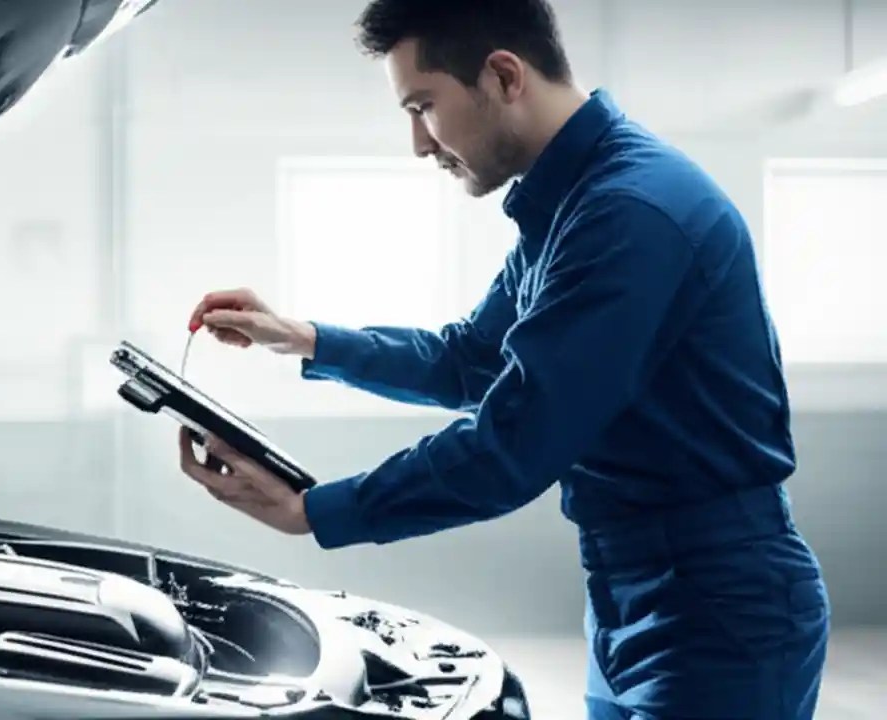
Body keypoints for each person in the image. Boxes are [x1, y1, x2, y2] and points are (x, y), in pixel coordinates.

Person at [175, 1, 831, 718]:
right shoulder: (572, 205)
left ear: (503, 75)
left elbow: (516, 443)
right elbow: (471, 361)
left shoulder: (630, 212)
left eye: (423, 106)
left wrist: (316, 511)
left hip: (720, 605)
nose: (420, 144)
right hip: (630, 592)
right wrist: (304, 337)